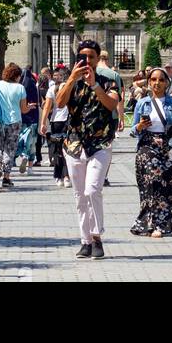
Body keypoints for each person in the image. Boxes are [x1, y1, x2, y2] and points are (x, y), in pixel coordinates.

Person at [55, 39, 121, 259]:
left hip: (100, 143)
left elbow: (112, 105)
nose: (87, 61)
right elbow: (60, 103)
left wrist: (94, 85)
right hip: (74, 144)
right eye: (83, 57)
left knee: (92, 190)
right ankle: (85, 241)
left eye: (91, 57)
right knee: (79, 195)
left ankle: (97, 237)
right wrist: (72, 79)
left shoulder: (107, 80)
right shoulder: (70, 82)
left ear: (97, 59)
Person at [129, 66, 172, 237]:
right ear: (149, 82)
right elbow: (132, 131)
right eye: (153, 80)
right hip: (148, 146)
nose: (157, 83)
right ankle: (156, 225)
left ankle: (160, 221)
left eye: (161, 80)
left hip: (171, 146)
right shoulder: (142, 103)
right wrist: (140, 126)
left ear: (166, 83)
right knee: (153, 182)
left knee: (171, 188)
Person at [0, 63, 34, 188]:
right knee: (10, 149)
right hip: (14, 121)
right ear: (17, 76)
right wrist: (30, 107)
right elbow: (23, 109)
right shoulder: (20, 88)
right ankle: (6, 177)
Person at [39, 64, 71, 186]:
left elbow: (47, 107)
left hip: (56, 121)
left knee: (58, 150)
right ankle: (67, 176)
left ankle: (59, 177)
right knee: (68, 150)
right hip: (69, 121)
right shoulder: (70, 87)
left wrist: (43, 123)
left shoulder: (52, 89)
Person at [96, 48, 124, 186]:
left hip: (92, 116)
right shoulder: (114, 75)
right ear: (107, 59)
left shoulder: (91, 73)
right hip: (110, 116)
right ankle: (104, 176)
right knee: (107, 146)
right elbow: (119, 99)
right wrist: (121, 118)